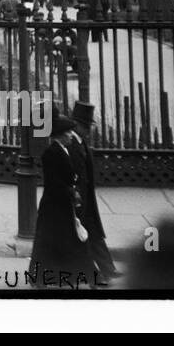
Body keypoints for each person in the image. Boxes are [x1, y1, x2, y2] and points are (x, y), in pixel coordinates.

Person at [28, 117, 94, 288]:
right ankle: (41, 278)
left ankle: (70, 276)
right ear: (60, 136)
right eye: (68, 134)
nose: (71, 136)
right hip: (53, 206)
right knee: (48, 243)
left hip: (60, 205)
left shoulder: (63, 150)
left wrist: (71, 190)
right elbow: (53, 182)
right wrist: (71, 191)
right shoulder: (51, 153)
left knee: (59, 242)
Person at [68, 102, 120, 279]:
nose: (89, 130)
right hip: (80, 198)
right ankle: (98, 273)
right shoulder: (73, 144)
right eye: (87, 126)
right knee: (85, 236)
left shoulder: (80, 142)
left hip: (86, 197)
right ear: (78, 125)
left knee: (95, 234)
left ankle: (108, 269)